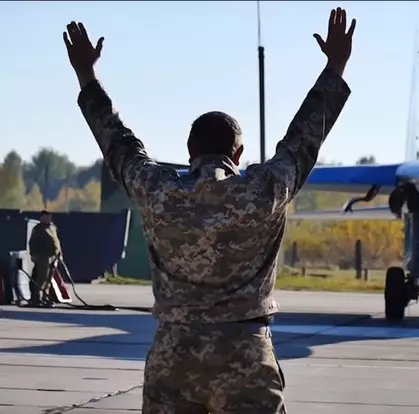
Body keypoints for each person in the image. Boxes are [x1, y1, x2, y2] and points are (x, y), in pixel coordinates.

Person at [62, 7, 356, 414]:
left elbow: (117, 142)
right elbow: (303, 138)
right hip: (246, 356)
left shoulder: (156, 189)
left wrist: (86, 76)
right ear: (238, 152)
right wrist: (335, 66)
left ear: (189, 151)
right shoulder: (263, 191)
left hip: (174, 357)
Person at [28, 210, 63, 307]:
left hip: (53, 256)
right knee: (41, 278)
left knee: (49, 279)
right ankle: (36, 298)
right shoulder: (38, 229)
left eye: (49, 217)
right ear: (41, 218)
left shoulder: (52, 228)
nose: (48, 219)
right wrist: (33, 254)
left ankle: (45, 297)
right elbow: (32, 242)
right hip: (43, 256)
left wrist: (59, 254)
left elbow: (57, 242)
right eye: (46, 217)